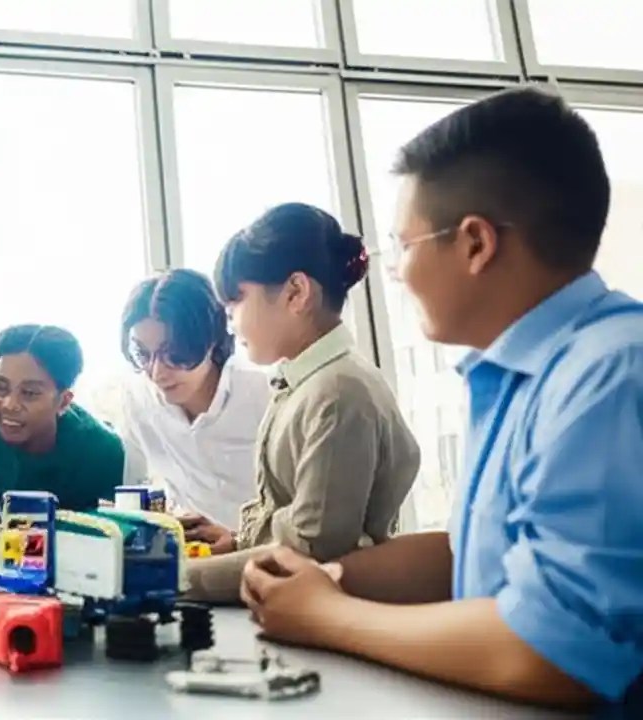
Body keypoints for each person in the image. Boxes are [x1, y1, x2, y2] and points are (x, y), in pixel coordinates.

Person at [239, 88, 642, 711]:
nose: (396, 273)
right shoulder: (518, 372)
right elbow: (474, 552)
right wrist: (335, 579)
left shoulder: (608, 375)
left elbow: (555, 648)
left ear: (476, 243)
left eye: (405, 246)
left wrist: (329, 617)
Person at [184, 202, 420, 602]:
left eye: (235, 302)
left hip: (333, 612)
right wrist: (239, 541)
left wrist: (179, 579)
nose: (230, 321)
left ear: (296, 292)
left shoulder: (338, 392)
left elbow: (310, 549)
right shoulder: (310, 382)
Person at [0, 324, 126, 544]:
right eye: (1, 388)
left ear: (63, 402)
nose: (9, 405)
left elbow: (100, 538)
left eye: (29, 393)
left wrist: (6, 537)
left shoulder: (101, 450)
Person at [118, 268, 269, 544]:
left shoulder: (264, 393)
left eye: (174, 353)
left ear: (211, 339)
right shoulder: (138, 398)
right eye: (143, 354)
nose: (157, 372)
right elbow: (132, 493)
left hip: (265, 556)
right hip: (187, 558)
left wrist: (240, 539)